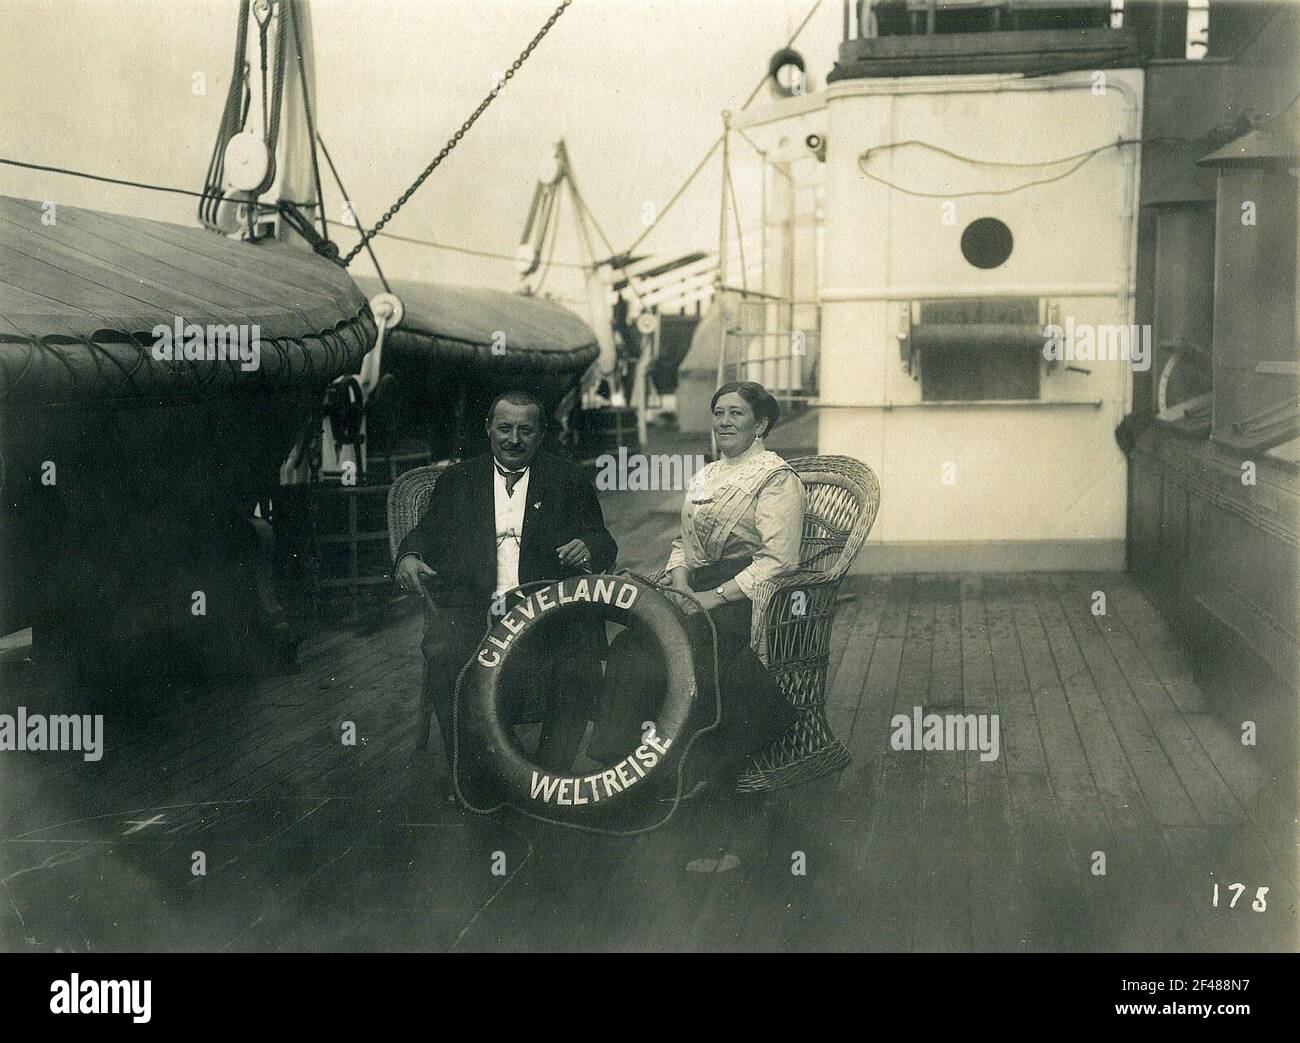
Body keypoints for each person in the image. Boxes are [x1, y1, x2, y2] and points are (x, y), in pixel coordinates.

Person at [587, 380, 802, 789]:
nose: (723, 421)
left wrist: (712, 597)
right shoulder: (706, 474)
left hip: (746, 597)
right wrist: (682, 585)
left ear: (761, 424)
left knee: (684, 646)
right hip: (694, 586)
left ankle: (691, 766)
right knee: (633, 642)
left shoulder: (776, 478)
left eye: (736, 413)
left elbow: (780, 560)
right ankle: (621, 759)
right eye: (718, 413)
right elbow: (682, 543)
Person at [393, 390, 617, 776]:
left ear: (542, 433)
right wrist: (408, 556)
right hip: (472, 608)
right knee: (444, 651)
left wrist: (587, 547)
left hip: (547, 608)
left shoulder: (567, 479)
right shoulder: (459, 479)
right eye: (505, 428)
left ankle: (550, 775)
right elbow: (425, 534)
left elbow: (602, 541)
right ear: (488, 429)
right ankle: (474, 774)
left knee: (581, 661)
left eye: (525, 430)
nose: (514, 439)